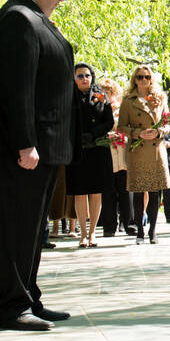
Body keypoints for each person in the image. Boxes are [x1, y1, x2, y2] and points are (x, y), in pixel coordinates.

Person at [0, 0, 76, 331]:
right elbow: (17, 89)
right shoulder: (18, 19)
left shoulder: (36, 19)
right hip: (18, 148)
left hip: (41, 146)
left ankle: (28, 295)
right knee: (17, 226)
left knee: (31, 227)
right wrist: (25, 143)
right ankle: (12, 305)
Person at [117, 65, 170, 244]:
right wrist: (137, 134)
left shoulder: (160, 98)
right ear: (134, 79)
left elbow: (169, 121)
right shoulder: (127, 101)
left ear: (151, 79)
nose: (143, 80)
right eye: (139, 77)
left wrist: (159, 132)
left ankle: (153, 231)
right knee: (139, 192)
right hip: (137, 150)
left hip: (156, 149)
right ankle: (140, 230)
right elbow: (121, 127)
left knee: (155, 192)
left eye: (147, 77)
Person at [68, 62, 114, 246]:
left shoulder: (100, 95)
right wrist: (78, 136)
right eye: (80, 76)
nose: (84, 79)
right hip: (77, 148)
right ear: (74, 78)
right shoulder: (68, 96)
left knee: (96, 192)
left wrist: (93, 134)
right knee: (79, 192)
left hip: (98, 147)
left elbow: (109, 121)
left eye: (87, 75)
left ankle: (93, 233)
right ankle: (82, 234)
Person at [99, 77, 136, 238]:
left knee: (126, 192)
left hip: (123, 156)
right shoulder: (99, 110)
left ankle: (129, 224)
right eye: (104, 93)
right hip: (106, 157)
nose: (107, 96)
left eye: (110, 93)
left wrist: (121, 136)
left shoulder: (123, 110)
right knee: (108, 193)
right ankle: (109, 226)